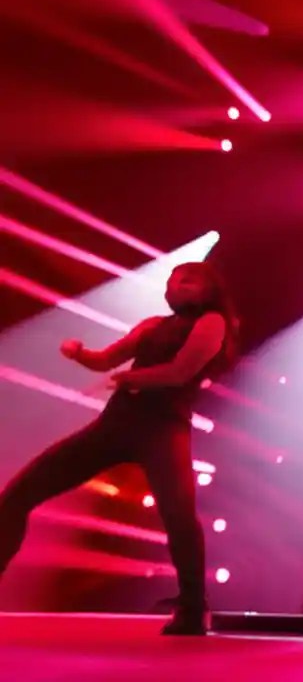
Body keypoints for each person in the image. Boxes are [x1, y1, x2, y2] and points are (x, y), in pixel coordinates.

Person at [0, 261, 238, 636]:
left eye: (187, 279)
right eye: (172, 280)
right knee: (19, 492)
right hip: (116, 425)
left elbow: (181, 371)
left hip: (163, 429)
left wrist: (132, 377)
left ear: (209, 289)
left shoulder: (211, 322)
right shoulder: (152, 324)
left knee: (179, 519)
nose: (176, 285)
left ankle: (193, 610)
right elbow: (106, 358)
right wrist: (81, 353)